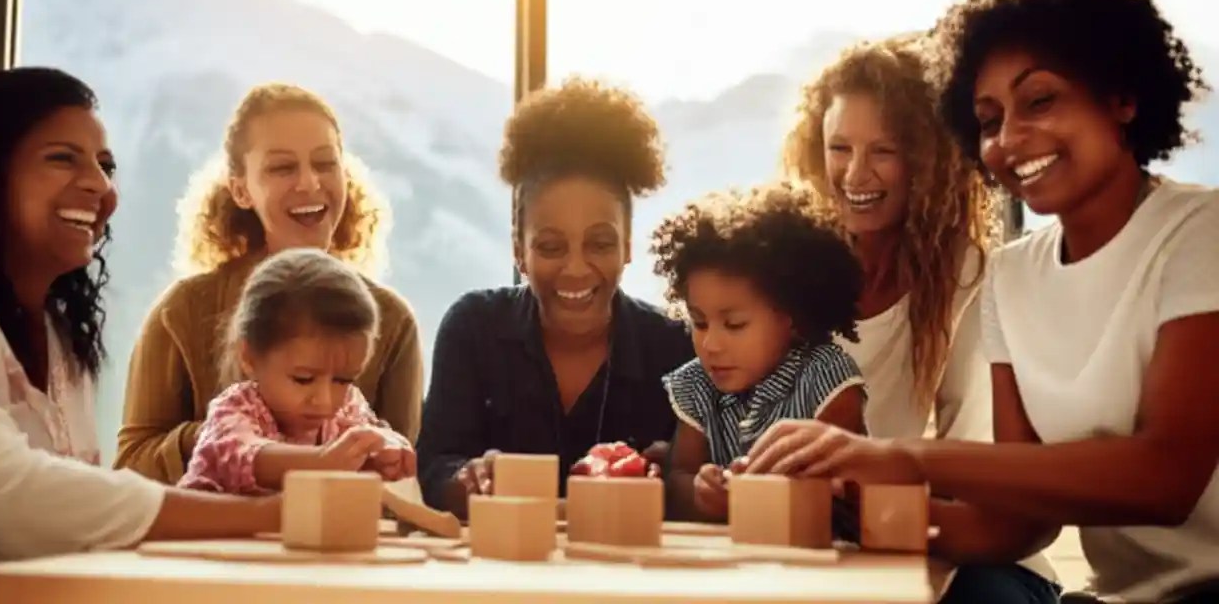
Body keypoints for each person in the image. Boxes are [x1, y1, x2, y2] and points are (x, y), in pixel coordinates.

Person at [749, 0, 1219, 603]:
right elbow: (1015, 521)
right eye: (989, 118)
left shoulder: (1201, 232)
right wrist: (840, 506)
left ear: (1123, 97)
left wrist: (904, 458)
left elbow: (1167, 478)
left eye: (1041, 100)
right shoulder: (1013, 275)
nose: (1011, 138)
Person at [0, 69, 279, 604]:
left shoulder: (60, 336)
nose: (99, 185)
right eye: (61, 158)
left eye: (105, 165)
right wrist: (259, 516)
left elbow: (74, 518)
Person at [781, 33, 1058, 601]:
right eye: (839, 148)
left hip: (969, 550)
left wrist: (861, 503)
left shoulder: (968, 277)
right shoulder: (783, 264)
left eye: (884, 151)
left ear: (927, 161)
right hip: (824, 539)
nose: (856, 175)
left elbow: (977, 481)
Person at [116, 83, 423, 484]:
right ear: (241, 189)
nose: (310, 184)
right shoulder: (181, 312)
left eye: (325, 164)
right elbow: (129, 465)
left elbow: (399, 475)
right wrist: (236, 432)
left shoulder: (393, 321)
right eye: (283, 168)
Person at [416, 78, 696, 518]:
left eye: (600, 244)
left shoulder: (673, 345)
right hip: (501, 569)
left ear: (627, 246)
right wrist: (467, 479)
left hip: (627, 574)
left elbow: (694, 484)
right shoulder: (474, 328)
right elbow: (433, 468)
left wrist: (673, 479)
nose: (576, 268)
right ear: (518, 251)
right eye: (550, 247)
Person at [649, 182, 866, 523]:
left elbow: (844, 493)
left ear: (792, 317)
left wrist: (761, 498)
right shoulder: (696, 385)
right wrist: (702, 493)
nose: (711, 344)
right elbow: (677, 481)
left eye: (734, 324)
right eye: (700, 322)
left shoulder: (827, 379)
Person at [179, 248, 414, 494]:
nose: (324, 401)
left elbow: (373, 446)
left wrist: (384, 454)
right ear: (249, 357)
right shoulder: (233, 410)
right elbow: (242, 457)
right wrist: (324, 461)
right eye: (303, 379)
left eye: (343, 380)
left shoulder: (349, 410)